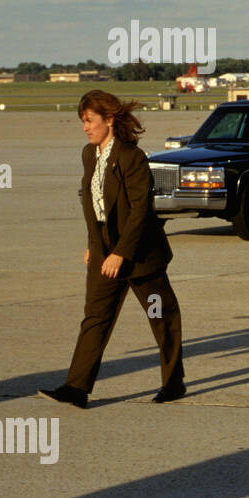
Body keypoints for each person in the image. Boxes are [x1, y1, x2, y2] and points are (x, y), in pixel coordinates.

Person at [40, 90, 186, 408]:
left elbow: (141, 210)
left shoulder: (132, 156)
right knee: (95, 317)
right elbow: (93, 205)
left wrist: (122, 252)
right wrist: (95, 246)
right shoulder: (88, 155)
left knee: (162, 315)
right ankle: (76, 388)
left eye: (89, 120)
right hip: (105, 248)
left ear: (108, 120)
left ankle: (174, 382)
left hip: (140, 252)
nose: (84, 127)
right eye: (82, 121)